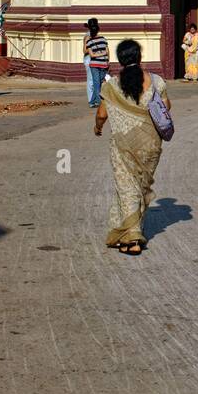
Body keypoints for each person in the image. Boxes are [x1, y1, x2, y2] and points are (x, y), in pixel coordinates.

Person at [94, 39, 171, 255]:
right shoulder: (156, 81)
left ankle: (133, 238)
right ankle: (126, 233)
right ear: (139, 57)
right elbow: (166, 107)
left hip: (123, 145)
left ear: (119, 60)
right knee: (140, 187)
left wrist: (97, 127)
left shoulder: (110, 86)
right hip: (151, 145)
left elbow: (101, 114)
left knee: (128, 189)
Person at [83, 17, 110, 108]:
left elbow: (106, 50)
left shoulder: (98, 38)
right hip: (91, 61)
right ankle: (96, 101)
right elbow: (85, 51)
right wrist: (101, 53)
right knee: (94, 82)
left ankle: (92, 100)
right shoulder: (88, 37)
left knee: (96, 82)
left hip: (97, 62)